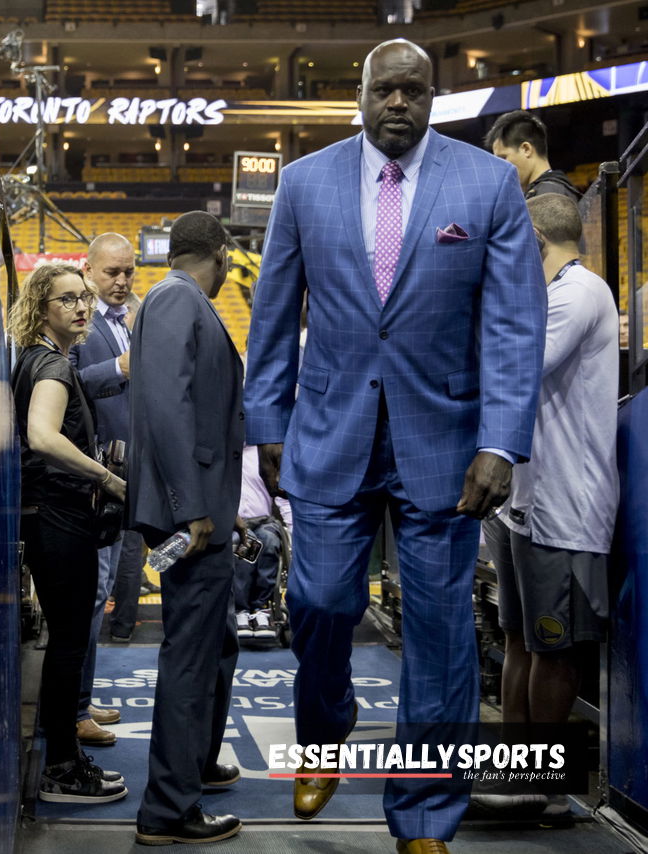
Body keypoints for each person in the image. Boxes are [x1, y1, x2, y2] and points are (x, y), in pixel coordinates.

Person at [242, 39, 546, 854]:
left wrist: (502, 442)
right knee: (319, 604)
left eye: (415, 91)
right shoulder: (305, 183)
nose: (400, 104)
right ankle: (324, 731)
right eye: (387, 91)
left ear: (433, 97)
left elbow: (516, 326)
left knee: (442, 637)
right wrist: (266, 422)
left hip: (447, 448)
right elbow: (273, 315)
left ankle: (422, 815)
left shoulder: (485, 185)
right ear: (363, 95)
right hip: (328, 436)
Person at [473, 194, 619, 815]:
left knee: (552, 649)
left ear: (531, 234)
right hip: (523, 502)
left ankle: (547, 788)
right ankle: (516, 773)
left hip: (566, 505)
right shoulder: (546, 291)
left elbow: (516, 367)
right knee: (518, 642)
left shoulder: (578, 292)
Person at [127, 211, 244, 846]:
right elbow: (169, 411)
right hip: (191, 516)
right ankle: (168, 811)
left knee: (213, 646)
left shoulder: (177, 300)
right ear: (220, 254)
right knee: (191, 660)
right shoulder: (177, 299)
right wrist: (192, 506)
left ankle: (193, 766)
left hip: (207, 511)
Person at [8, 262, 128, 805]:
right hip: (58, 516)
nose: (81, 307)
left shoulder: (40, 359)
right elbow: (42, 437)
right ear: (43, 308)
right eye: (66, 299)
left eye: (84, 297)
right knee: (69, 644)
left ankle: (64, 758)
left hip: (49, 515)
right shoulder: (52, 367)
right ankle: (60, 767)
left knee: (68, 642)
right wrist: (107, 479)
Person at [69, 233, 141, 747]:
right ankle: (73, 709)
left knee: (102, 591)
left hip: (119, 474)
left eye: (128, 272)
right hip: (91, 476)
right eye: (111, 272)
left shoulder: (125, 321)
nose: (120, 281)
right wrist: (118, 367)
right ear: (89, 270)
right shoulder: (80, 320)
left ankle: (82, 698)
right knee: (91, 594)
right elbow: (65, 380)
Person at [234, 444, 289, 641]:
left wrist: (291, 527)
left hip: (265, 521)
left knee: (270, 541)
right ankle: (241, 609)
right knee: (247, 545)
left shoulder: (265, 453)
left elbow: (282, 495)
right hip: (236, 524)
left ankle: (261, 606)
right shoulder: (226, 452)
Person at [484, 110, 582, 200]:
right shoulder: (555, 190)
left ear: (526, 149)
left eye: (503, 158)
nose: (499, 168)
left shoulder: (547, 196)